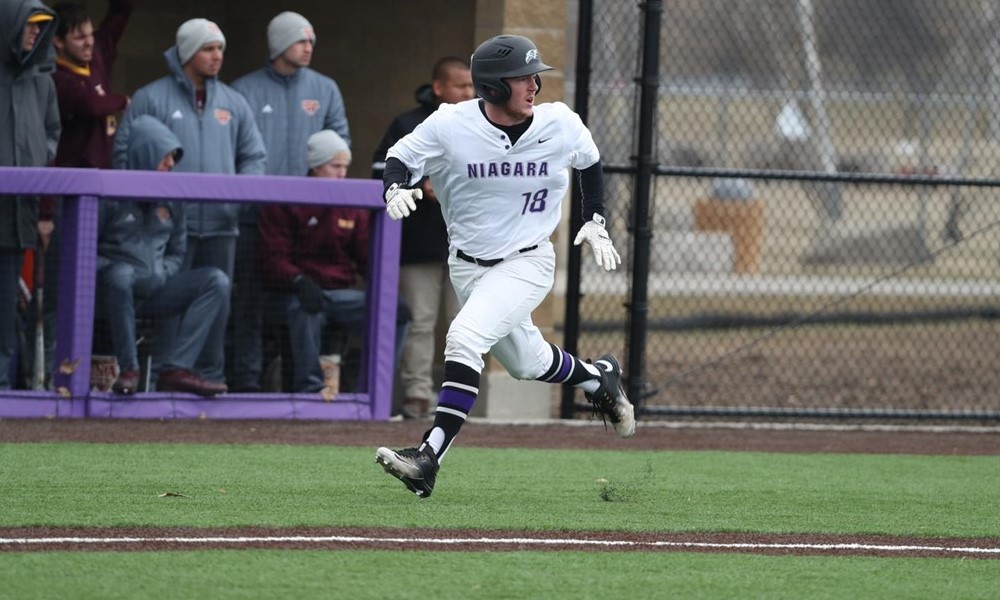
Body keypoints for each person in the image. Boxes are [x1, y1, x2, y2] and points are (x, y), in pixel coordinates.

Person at [374, 35, 635, 498]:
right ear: (493, 87)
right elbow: (399, 157)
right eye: (523, 78)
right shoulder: (451, 124)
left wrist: (595, 218)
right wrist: (394, 188)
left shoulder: (559, 122)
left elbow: (590, 162)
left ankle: (428, 457)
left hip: (528, 261)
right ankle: (600, 378)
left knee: (464, 337)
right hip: (469, 266)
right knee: (526, 361)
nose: (535, 84)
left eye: (536, 75)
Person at [112, 18, 267, 388]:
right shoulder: (151, 97)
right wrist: (149, 206)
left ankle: (209, 377)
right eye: (208, 49)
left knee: (218, 302)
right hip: (163, 226)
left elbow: (254, 157)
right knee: (169, 305)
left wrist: (237, 198)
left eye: (220, 49)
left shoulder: (234, 101)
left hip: (220, 224)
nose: (217, 56)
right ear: (186, 53)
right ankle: (163, 380)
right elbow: (123, 153)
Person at [229, 11, 351, 393]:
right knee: (247, 302)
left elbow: (341, 144)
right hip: (253, 215)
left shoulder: (325, 89)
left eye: (311, 41)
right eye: (301, 41)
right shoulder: (242, 90)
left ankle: (304, 385)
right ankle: (247, 381)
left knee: (306, 303)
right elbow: (233, 151)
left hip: (309, 218)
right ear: (280, 44)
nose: (308, 47)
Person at [25, 0, 132, 388]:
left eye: (90, 35)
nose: (89, 43)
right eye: (79, 36)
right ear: (57, 42)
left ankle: (88, 377)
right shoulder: (55, 77)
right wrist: (123, 101)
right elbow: (92, 104)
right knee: (58, 295)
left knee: (99, 290)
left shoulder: (98, 53)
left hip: (106, 202)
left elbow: (119, 15)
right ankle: (53, 381)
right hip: (69, 202)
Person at [258, 130, 408, 393]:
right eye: (334, 166)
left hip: (339, 295)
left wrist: (388, 292)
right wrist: (298, 279)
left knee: (396, 311)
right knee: (304, 310)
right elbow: (273, 257)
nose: (342, 173)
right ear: (316, 167)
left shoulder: (351, 203)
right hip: (294, 293)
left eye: (345, 167)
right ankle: (312, 389)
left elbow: (366, 257)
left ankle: (374, 388)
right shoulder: (288, 199)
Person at [371, 56, 474, 419]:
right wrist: (420, 182)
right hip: (419, 244)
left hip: (469, 245)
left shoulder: (481, 124)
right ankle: (416, 394)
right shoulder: (408, 123)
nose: (469, 92)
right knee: (421, 321)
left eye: (471, 86)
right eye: (461, 86)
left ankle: (458, 399)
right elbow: (380, 169)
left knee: (466, 324)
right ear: (439, 87)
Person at [98, 115, 229, 396]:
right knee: (120, 275)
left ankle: (176, 368)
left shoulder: (172, 196)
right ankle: (129, 369)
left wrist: (161, 273)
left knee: (216, 280)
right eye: (165, 157)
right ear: (144, 155)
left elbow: (177, 251)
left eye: (172, 158)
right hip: (112, 293)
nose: (170, 164)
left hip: (157, 289)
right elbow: (86, 254)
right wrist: (120, 270)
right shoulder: (109, 193)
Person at [0, 0, 59, 389]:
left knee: (6, 312)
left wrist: (37, 166)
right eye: (29, 26)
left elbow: (51, 134)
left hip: (18, 212)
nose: (35, 32)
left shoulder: (42, 80)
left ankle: (3, 389)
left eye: (40, 27)